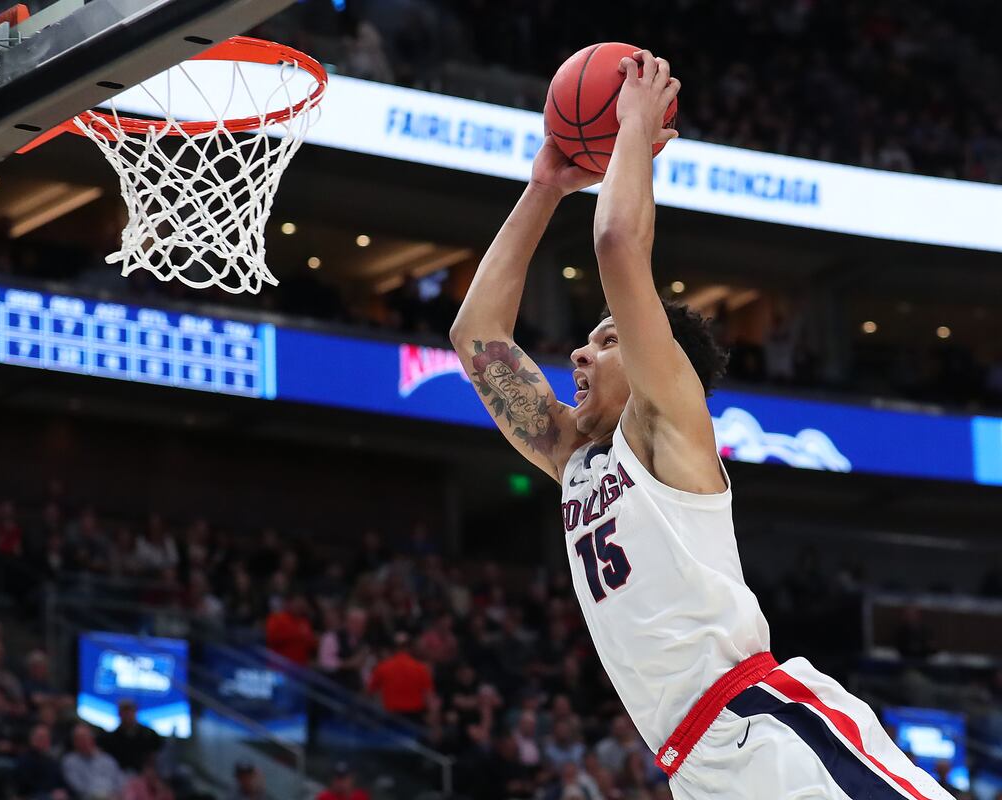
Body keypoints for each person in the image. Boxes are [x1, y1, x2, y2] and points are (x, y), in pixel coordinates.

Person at [449, 48, 952, 800]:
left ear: (657, 361)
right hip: (695, 765)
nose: (580, 354)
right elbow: (477, 339)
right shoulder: (576, 459)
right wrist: (543, 188)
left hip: (766, 730)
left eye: (608, 340)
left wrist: (632, 126)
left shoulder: (667, 425)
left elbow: (618, 246)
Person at [366, 632, 434, 724]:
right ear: (409, 648)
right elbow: (429, 697)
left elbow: (369, 691)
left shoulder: (383, 667)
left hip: (391, 717)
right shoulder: (421, 669)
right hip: (414, 717)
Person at [62, 723, 125, 800]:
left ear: (92, 739)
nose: (84, 741)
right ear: (74, 742)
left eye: (86, 737)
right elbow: (77, 787)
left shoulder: (107, 759)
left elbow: (120, 781)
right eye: (80, 739)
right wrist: (101, 794)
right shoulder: (70, 761)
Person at [99, 699, 162, 773]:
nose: (127, 715)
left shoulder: (149, 734)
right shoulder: (110, 738)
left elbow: (157, 756)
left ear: (135, 712)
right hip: (117, 774)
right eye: (124, 712)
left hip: (144, 775)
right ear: (119, 714)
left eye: (130, 711)